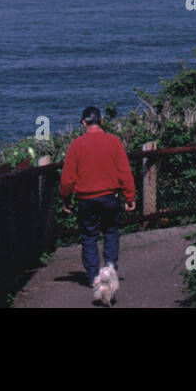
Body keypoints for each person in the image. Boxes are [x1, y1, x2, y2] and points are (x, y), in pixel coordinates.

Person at [59, 106, 137, 286]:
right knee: (111, 232)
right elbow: (124, 172)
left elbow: (67, 179)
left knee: (89, 236)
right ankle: (110, 269)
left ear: (83, 123)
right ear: (101, 122)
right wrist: (129, 197)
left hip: (85, 199)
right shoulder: (114, 142)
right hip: (110, 197)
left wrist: (66, 199)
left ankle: (93, 275)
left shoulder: (76, 145)